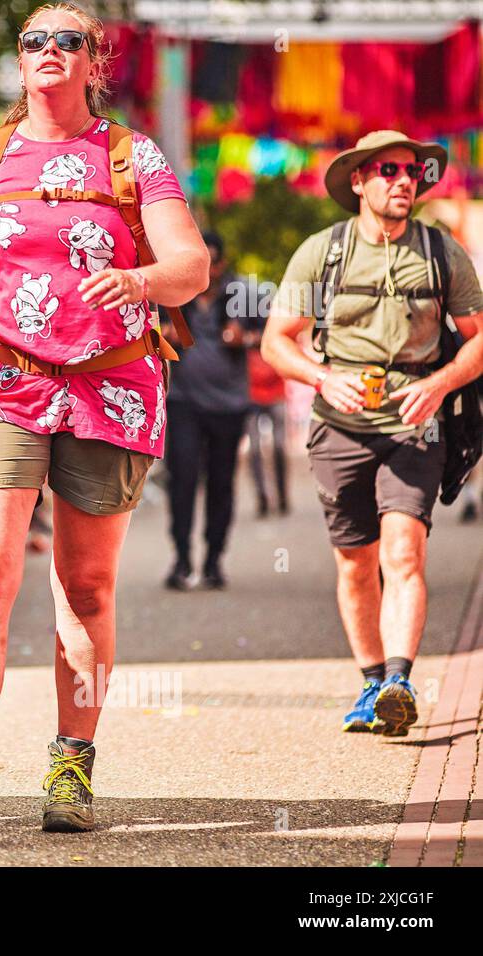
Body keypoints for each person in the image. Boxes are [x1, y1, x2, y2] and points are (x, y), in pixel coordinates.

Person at [0, 1, 209, 840]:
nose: (46, 51)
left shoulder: (129, 154)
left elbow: (190, 264)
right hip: (1, 380)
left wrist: (143, 282)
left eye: (64, 40)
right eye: (32, 40)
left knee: (85, 585)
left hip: (108, 386)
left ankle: (73, 761)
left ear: (92, 59)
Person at [262, 130, 483, 737]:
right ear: (358, 181)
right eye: (388, 170)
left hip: (417, 423)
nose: (403, 181)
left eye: (412, 172)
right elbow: (276, 341)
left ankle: (399, 680)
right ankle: (369, 682)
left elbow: (479, 335)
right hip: (339, 427)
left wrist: (439, 384)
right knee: (356, 564)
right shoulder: (321, 253)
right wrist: (320, 378)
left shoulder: (442, 252)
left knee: (404, 552)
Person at [162, 230, 258, 590]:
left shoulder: (242, 295)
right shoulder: (174, 297)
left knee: (221, 483)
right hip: (184, 402)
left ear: (222, 264)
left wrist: (244, 338)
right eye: (202, 262)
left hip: (229, 407)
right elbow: (147, 334)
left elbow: (272, 336)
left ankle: (214, 559)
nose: (210, 270)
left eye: (214, 262)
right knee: (182, 481)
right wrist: (164, 336)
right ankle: (183, 559)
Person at [246, 332, 290, 518]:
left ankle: (282, 494)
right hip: (251, 392)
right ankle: (261, 496)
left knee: (279, 446)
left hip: (276, 391)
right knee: (254, 448)